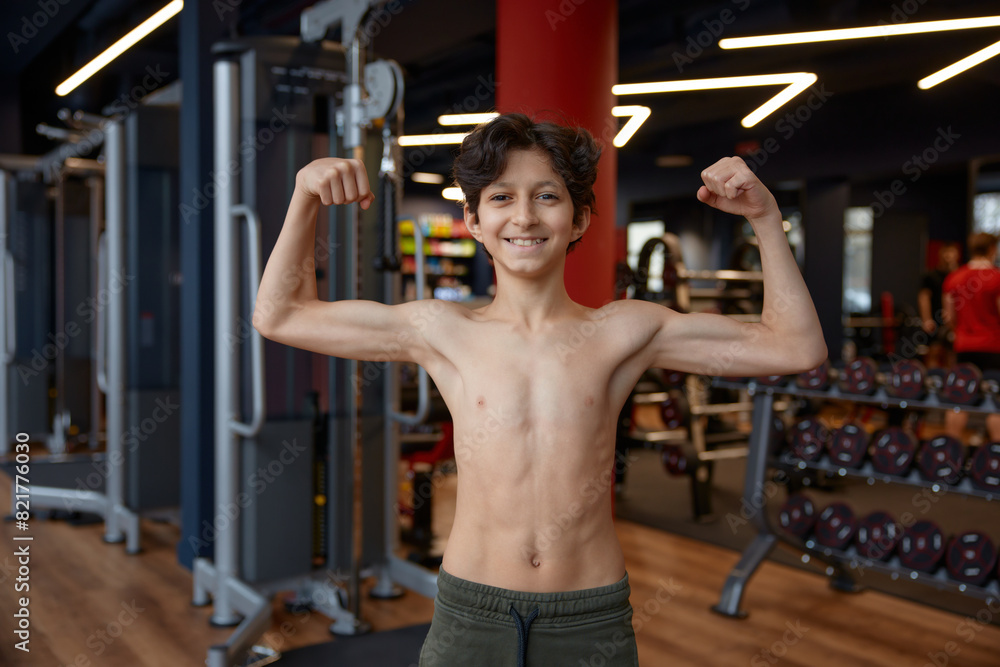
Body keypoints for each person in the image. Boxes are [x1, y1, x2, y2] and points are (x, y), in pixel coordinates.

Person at [252, 114, 826, 666]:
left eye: (547, 196)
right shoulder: (440, 330)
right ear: (475, 221)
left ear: (579, 220)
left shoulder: (624, 330)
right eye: (501, 197)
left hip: (587, 615)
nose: (524, 216)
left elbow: (794, 347)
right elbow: (280, 315)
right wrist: (305, 197)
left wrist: (766, 219)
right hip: (472, 611)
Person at [942, 232, 1000, 442]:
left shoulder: (954, 277)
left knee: (959, 400)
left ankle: (951, 455)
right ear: (992, 249)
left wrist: (963, 330)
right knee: (996, 404)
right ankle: (995, 458)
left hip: (964, 346)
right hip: (993, 347)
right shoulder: (996, 277)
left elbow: (949, 316)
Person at [918, 242, 960, 368]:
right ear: (940, 255)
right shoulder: (931, 276)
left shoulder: (959, 275)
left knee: (952, 353)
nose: (948, 256)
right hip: (936, 319)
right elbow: (924, 297)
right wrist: (926, 319)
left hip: (955, 321)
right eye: (946, 253)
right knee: (934, 351)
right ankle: (933, 380)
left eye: (951, 253)